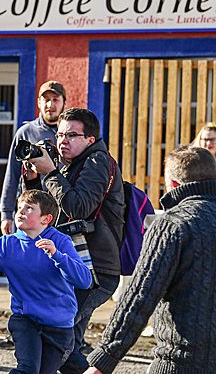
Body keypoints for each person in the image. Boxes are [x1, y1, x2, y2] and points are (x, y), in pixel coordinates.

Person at [84, 146, 216, 374]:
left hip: (179, 361)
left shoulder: (172, 225)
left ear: (173, 184)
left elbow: (140, 296)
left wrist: (104, 357)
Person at [23, 108, 124, 374]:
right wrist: (34, 179)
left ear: (90, 139)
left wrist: (50, 174)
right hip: (74, 265)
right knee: (69, 342)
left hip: (95, 269)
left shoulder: (97, 162)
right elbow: (45, 213)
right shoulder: (71, 165)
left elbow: (78, 207)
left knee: (57, 335)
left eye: (71, 135)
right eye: (59, 134)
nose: (62, 141)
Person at [0, 190, 92, 374]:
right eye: (19, 207)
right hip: (26, 320)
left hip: (59, 326)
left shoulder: (60, 241)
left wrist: (57, 255)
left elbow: (84, 280)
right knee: (27, 370)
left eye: (29, 208)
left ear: (46, 219)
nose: (20, 212)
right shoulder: (8, 244)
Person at [0, 82, 66, 236]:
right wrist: (6, 214)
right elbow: (12, 175)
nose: (50, 104)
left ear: (64, 103)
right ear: (38, 102)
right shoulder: (25, 133)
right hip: (31, 214)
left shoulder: (69, 133)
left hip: (64, 211)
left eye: (55, 99)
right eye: (46, 99)